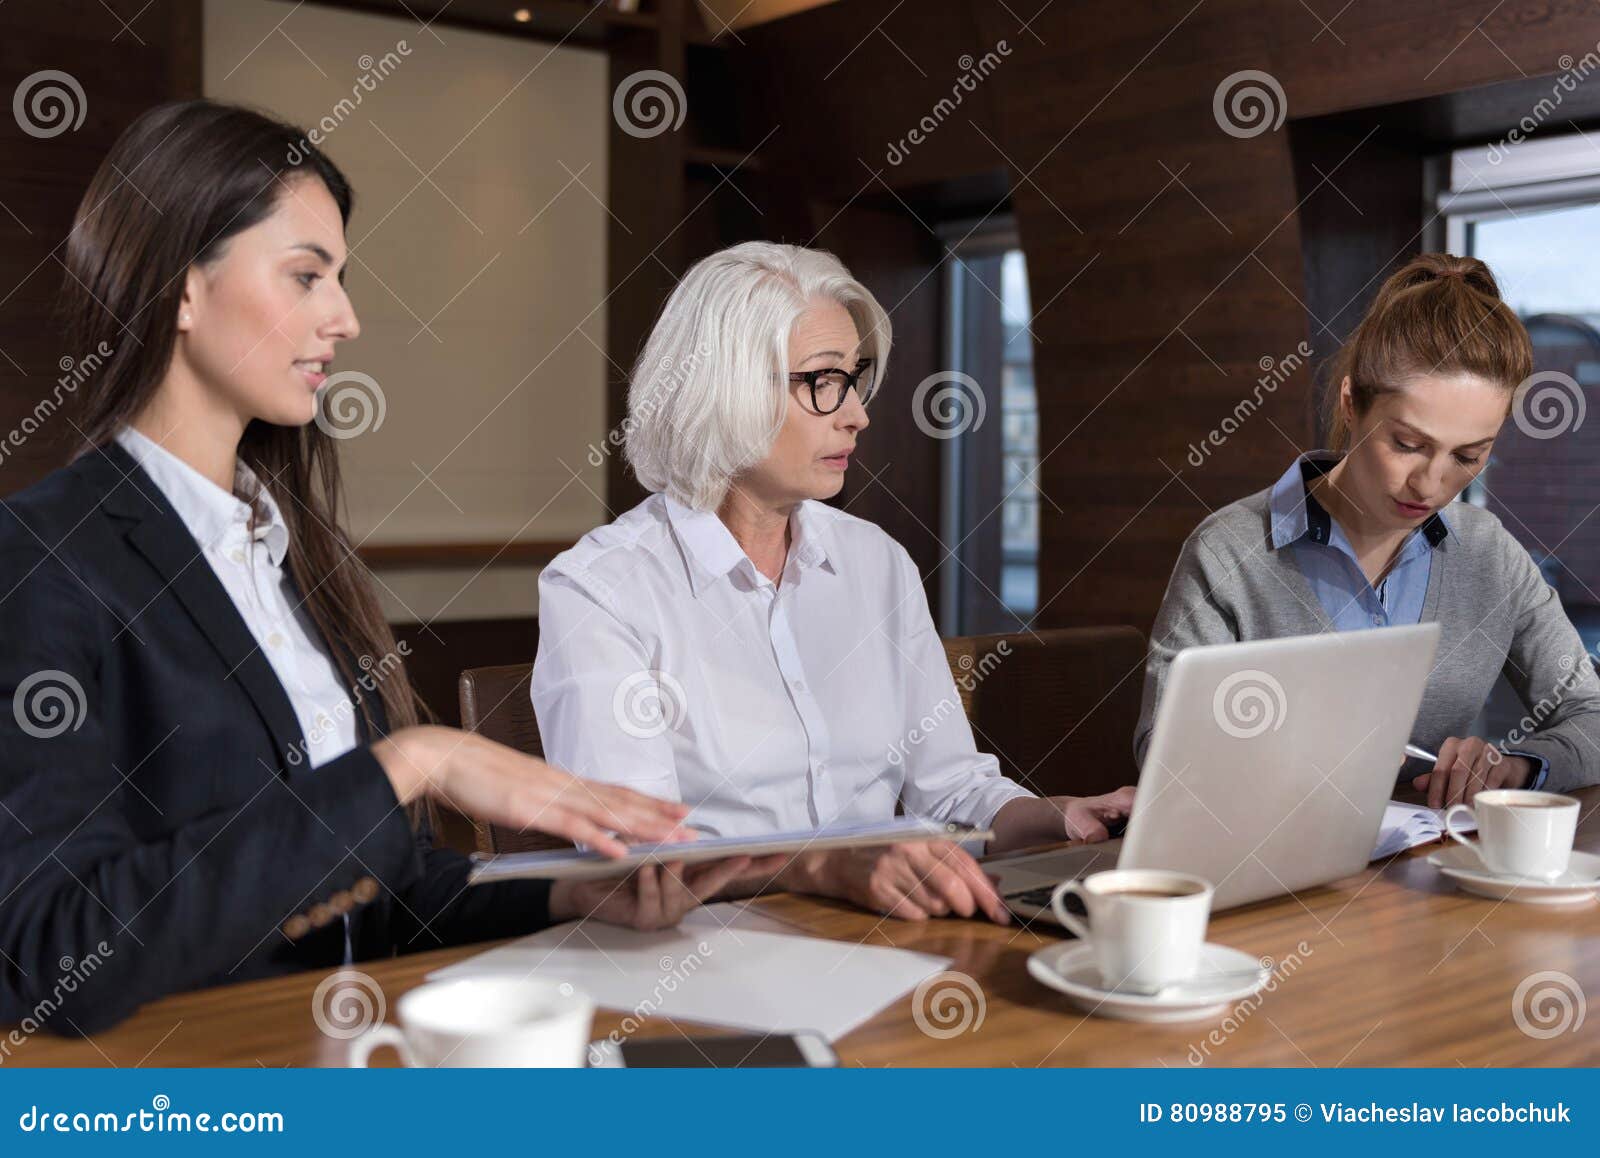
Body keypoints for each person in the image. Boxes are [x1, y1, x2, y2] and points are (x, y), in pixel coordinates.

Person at [0, 100, 773, 1036]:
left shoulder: (284, 548)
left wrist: (570, 894)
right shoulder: (42, 557)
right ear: (183, 289)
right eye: (305, 276)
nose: (347, 318)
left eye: (341, 279)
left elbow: (370, 890)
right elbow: (53, 954)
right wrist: (414, 761)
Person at [532, 241, 1135, 925]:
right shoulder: (601, 589)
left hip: (887, 944)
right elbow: (635, 863)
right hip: (698, 969)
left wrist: (1059, 817)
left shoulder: (877, 563)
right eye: (823, 382)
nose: (857, 414)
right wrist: (824, 865)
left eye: (856, 379)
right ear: (725, 388)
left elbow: (951, 789)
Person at [1136, 253, 1600, 809]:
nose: (1430, 483)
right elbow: (1165, 754)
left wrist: (1516, 767)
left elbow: (1590, 715)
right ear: (1351, 402)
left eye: (1468, 455)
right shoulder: (1229, 552)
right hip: (1266, 865)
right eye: (1408, 444)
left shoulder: (1489, 556)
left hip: (1422, 873)